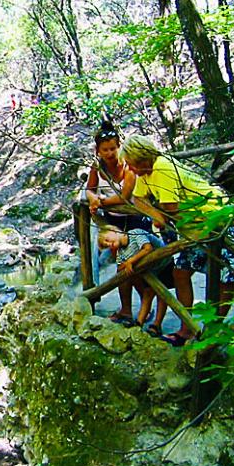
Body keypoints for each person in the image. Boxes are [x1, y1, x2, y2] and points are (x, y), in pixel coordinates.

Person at [119, 135, 234, 346]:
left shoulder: (162, 168)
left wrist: (159, 214)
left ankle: (214, 329)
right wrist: (156, 216)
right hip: (193, 228)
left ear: (141, 158)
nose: (130, 170)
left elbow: (172, 209)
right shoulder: (145, 172)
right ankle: (187, 327)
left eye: (131, 164)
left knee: (224, 276)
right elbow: (137, 199)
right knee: (181, 272)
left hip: (216, 219)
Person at [84, 121, 148, 323]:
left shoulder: (128, 165)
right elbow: (89, 188)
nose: (110, 153)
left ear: (119, 146)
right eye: (105, 150)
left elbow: (125, 196)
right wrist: (92, 199)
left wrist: (100, 202)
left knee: (137, 266)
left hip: (134, 219)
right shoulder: (97, 166)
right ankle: (127, 310)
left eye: (113, 148)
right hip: (113, 222)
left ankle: (146, 303)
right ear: (98, 150)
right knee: (121, 266)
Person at [98, 226, 172, 336]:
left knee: (162, 295)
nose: (109, 244)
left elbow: (148, 248)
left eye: (107, 240)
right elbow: (120, 267)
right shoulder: (121, 252)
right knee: (148, 293)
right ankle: (139, 323)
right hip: (151, 269)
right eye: (106, 245)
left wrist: (130, 261)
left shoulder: (135, 233)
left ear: (114, 231)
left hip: (164, 263)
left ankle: (157, 324)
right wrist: (124, 266)